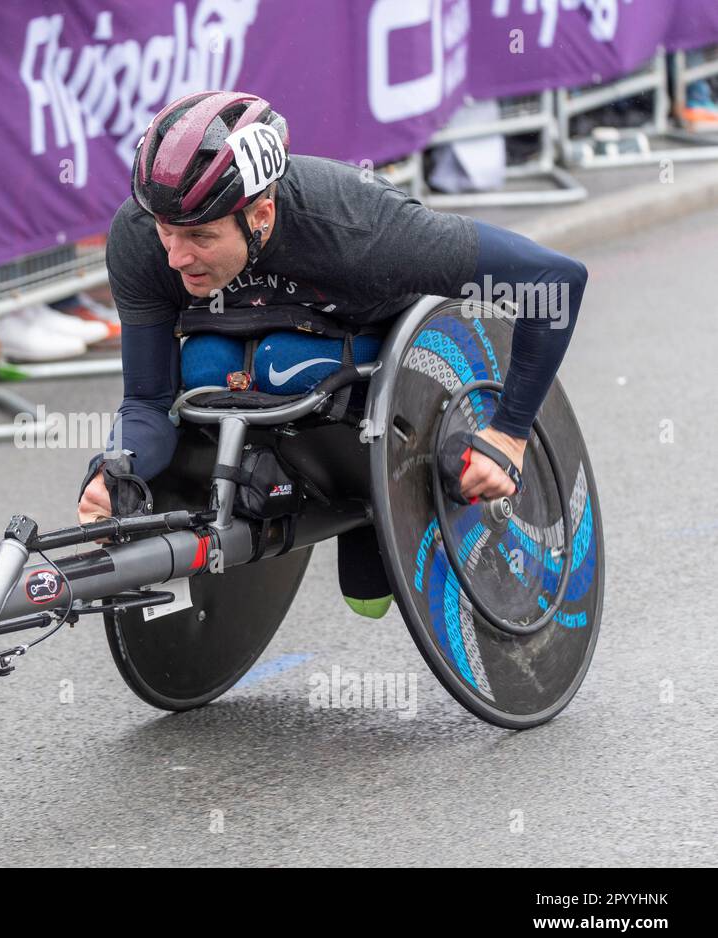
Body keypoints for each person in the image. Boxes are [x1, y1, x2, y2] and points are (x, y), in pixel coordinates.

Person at [77, 90, 587, 619]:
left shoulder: (364, 229)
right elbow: (146, 400)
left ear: (261, 213)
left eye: (201, 237)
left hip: (369, 372)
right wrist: (114, 473)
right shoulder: (140, 239)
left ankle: (372, 496)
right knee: (205, 365)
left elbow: (555, 281)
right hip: (245, 359)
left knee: (364, 593)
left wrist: (508, 432)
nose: (177, 256)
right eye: (167, 233)